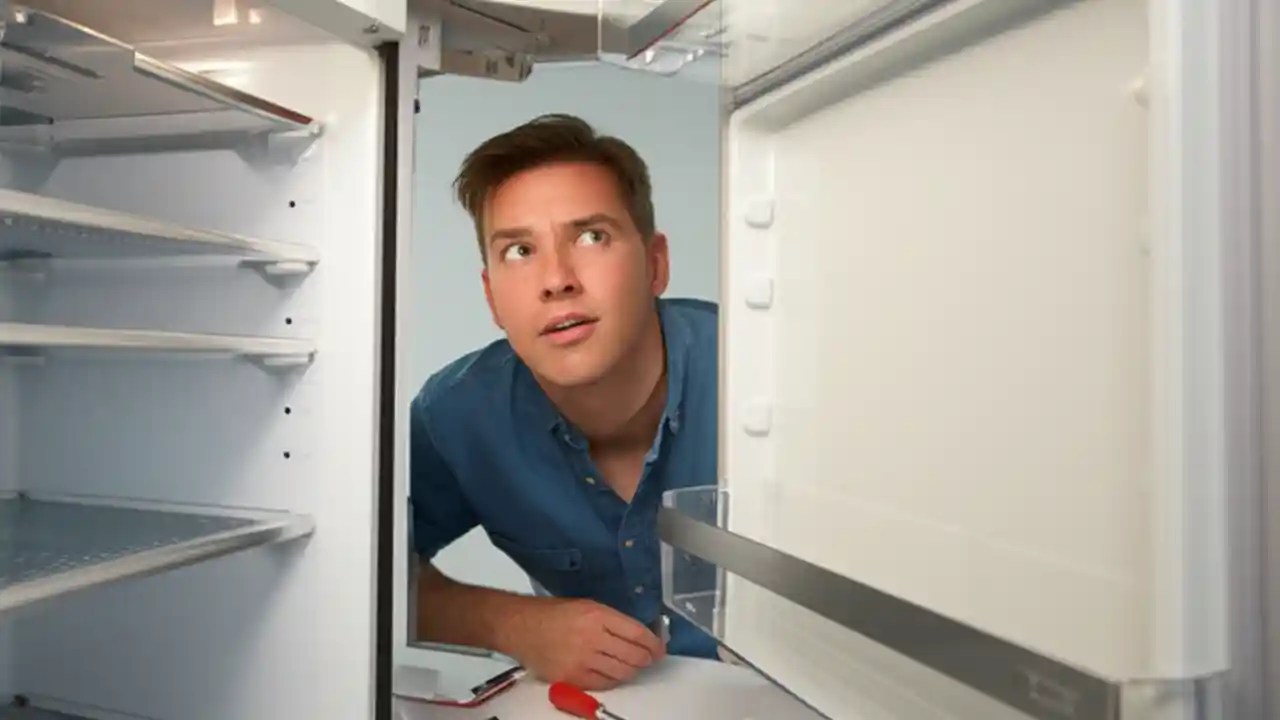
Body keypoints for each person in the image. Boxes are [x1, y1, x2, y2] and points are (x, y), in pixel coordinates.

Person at [409, 113, 720, 691]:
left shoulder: (763, 377)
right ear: (492, 297)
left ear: (655, 264)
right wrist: (512, 623)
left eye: (591, 237)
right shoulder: (455, 418)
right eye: (520, 250)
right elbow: (359, 568)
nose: (556, 280)